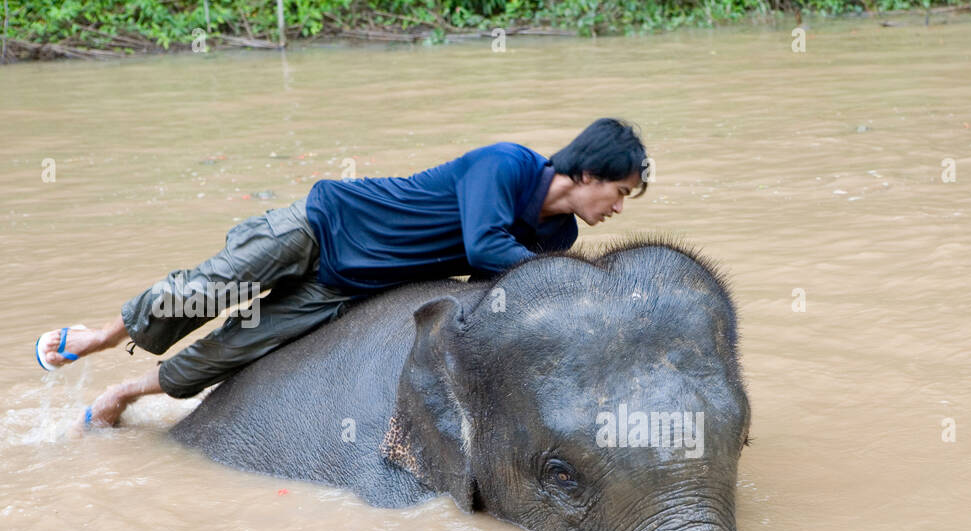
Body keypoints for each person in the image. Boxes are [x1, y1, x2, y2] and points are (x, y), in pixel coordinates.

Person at [35, 117, 648, 427]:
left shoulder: (557, 234)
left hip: (345, 287)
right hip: (323, 226)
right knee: (203, 293)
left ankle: (126, 393)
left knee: (241, 347)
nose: (617, 208)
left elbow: (520, 291)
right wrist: (585, 281)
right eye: (618, 191)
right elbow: (488, 250)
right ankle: (103, 337)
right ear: (588, 173)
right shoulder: (507, 165)